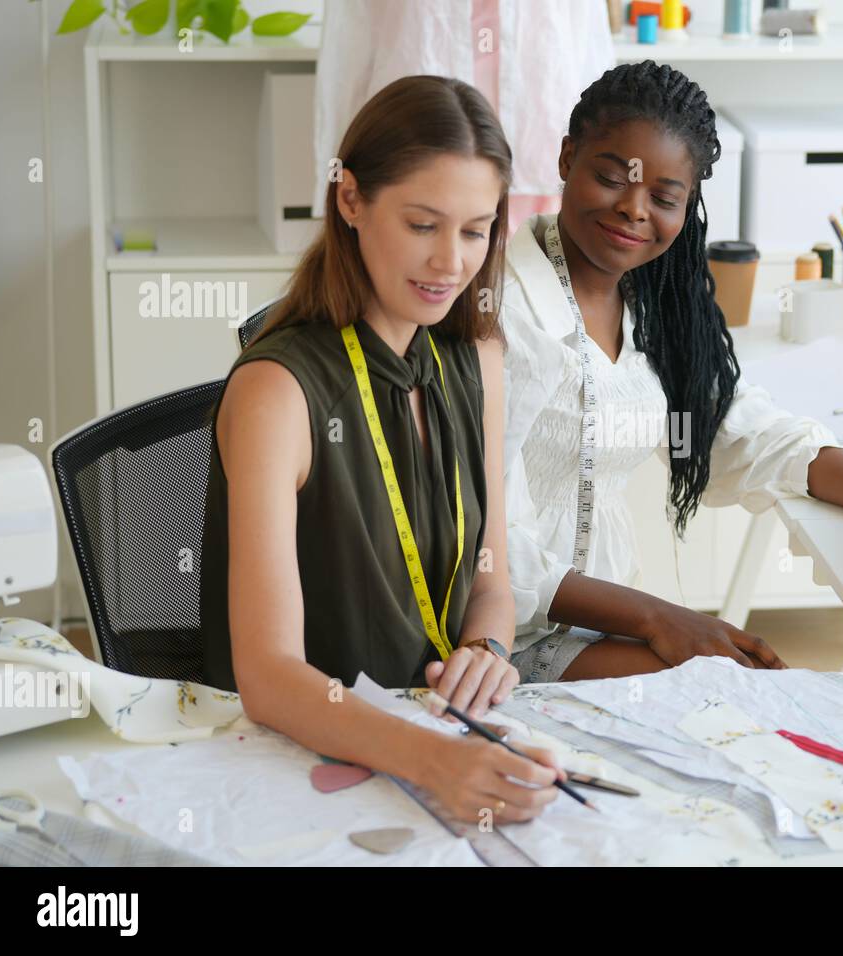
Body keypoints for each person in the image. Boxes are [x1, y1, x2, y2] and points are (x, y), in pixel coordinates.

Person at [500, 61, 843, 683]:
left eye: (665, 199)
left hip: (597, 615)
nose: (634, 210)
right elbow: (491, 548)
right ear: (567, 158)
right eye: (611, 178)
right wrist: (659, 618)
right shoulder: (503, 314)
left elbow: (742, 428)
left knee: (747, 682)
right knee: (725, 684)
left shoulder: (652, 301)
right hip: (498, 632)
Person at [200, 76, 559, 823]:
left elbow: (491, 579)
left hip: (434, 731)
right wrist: (435, 759)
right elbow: (267, 678)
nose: (451, 264)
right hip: (300, 757)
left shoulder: (476, 357)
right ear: (351, 201)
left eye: (475, 229)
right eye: (423, 225)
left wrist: (485, 655)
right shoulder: (277, 392)